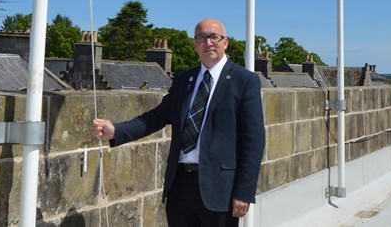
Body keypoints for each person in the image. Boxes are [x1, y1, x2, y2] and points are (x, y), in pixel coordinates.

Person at [91, 18, 265, 226]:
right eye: (202, 37)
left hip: (220, 189)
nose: (208, 42)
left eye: (214, 37)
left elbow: (254, 141)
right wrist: (116, 131)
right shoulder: (184, 79)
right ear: (194, 44)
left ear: (225, 42)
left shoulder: (244, 81)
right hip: (179, 186)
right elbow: (155, 117)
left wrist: (243, 192)